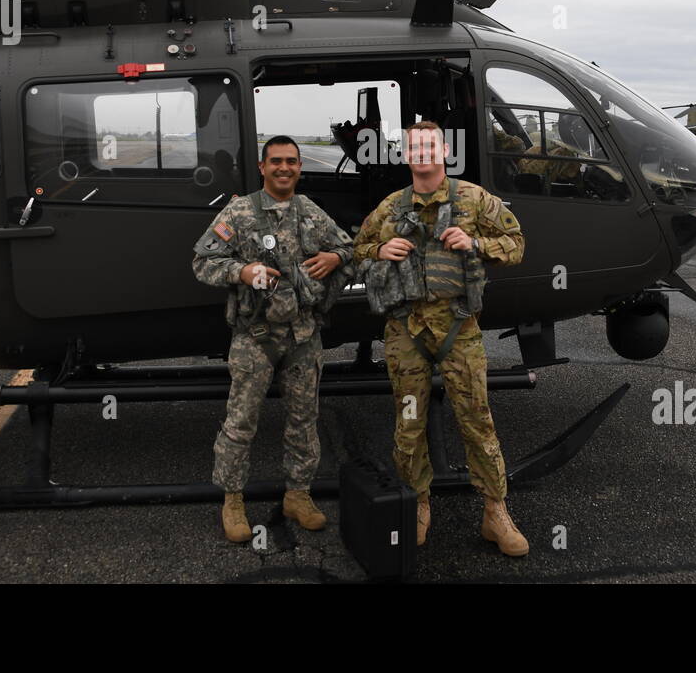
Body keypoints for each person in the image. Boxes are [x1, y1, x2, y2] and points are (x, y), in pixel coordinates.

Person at [353, 121, 530, 556]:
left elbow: (516, 244)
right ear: (405, 154)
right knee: (409, 424)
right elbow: (355, 251)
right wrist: (380, 250)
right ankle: (418, 505)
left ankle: (495, 511)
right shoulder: (391, 208)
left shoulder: (473, 198)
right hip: (406, 332)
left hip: (458, 330)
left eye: (430, 145)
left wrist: (474, 242)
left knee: (476, 420)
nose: (423, 153)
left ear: (445, 150)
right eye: (414, 147)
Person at [192, 135, 354, 542]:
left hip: (303, 335)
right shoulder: (240, 211)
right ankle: (232, 499)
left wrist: (336, 257)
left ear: (299, 167)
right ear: (263, 167)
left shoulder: (310, 212)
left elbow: (349, 249)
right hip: (255, 337)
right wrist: (241, 273)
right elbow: (203, 261)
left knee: (303, 421)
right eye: (276, 161)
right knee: (241, 421)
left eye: (292, 162)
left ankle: (297, 495)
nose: (285, 168)